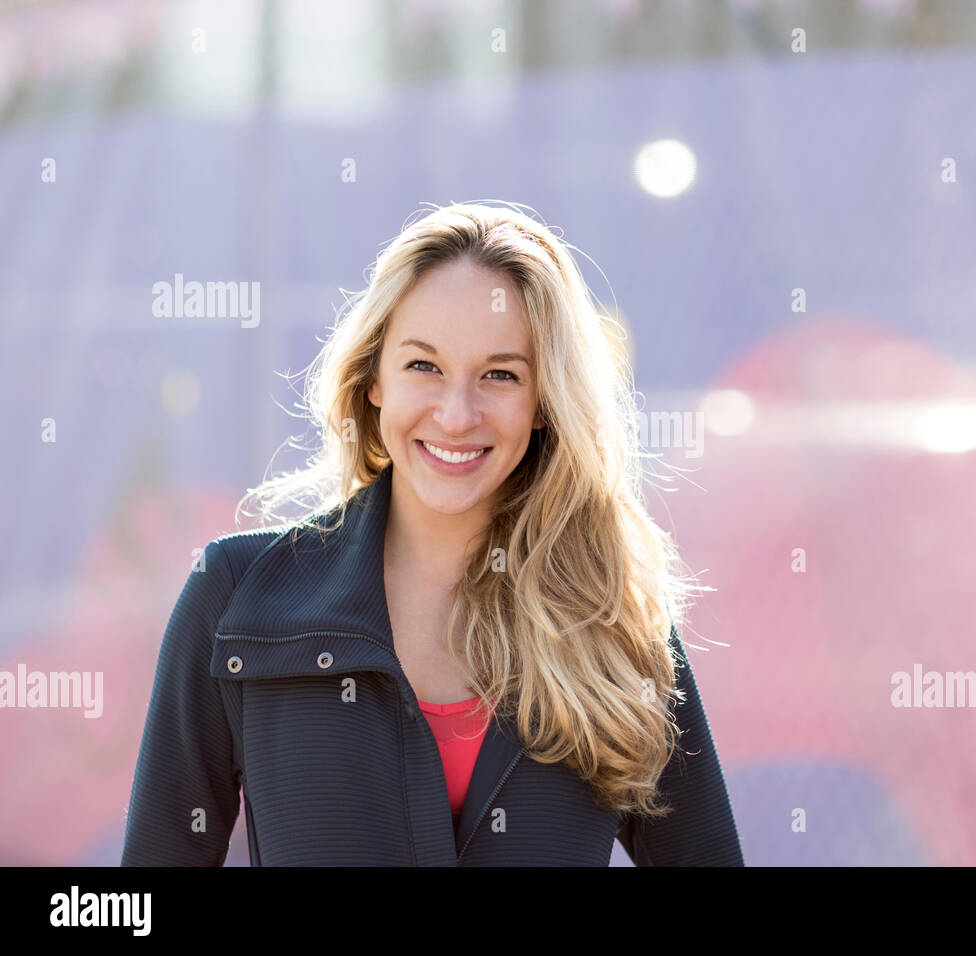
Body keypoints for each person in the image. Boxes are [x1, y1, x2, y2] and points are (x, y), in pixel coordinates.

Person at [121, 202, 744, 866]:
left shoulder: (614, 621)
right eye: (424, 365)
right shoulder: (235, 600)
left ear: (545, 405)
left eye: (501, 374)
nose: (457, 413)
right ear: (373, 380)